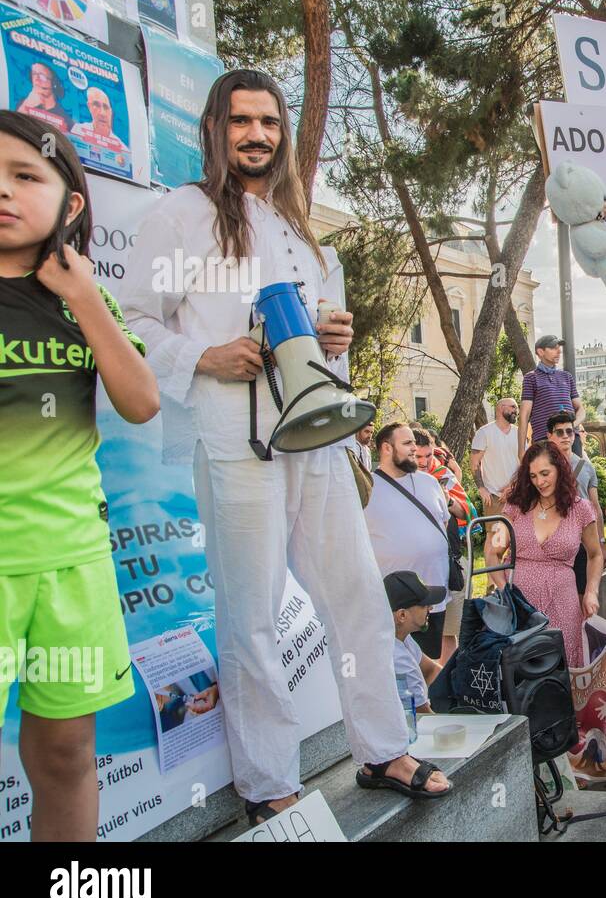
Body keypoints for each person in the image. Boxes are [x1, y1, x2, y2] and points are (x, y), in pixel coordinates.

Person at [119, 70, 444, 821]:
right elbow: (131, 320)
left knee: (357, 593)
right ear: (214, 128)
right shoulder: (182, 215)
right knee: (253, 615)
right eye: (241, 121)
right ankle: (271, 786)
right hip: (237, 441)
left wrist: (338, 338)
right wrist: (204, 356)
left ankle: (382, 748)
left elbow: (324, 338)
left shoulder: (301, 233)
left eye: (268, 122)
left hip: (318, 437)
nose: (256, 135)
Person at [0, 112, 160, 841]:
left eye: (24, 175)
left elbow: (141, 399)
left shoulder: (82, 304)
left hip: (74, 562)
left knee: (67, 753)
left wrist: (86, 298)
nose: (3, 191)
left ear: (70, 205)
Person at [485, 441, 603, 669]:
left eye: (545, 473)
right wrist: (505, 594)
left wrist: (591, 592)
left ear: (560, 469)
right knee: (521, 676)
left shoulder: (581, 509)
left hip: (563, 605)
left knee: (562, 670)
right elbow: (492, 552)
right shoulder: (516, 508)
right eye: (533, 476)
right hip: (519, 608)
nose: (539, 482)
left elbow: (595, 555)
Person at [366, 422, 464, 654]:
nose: (414, 448)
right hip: (394, 603)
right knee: (397, 667)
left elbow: (444, 522)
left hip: (433, 596)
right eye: (407, 443)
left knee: (430, 662)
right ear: (386, 448)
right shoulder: (367, 488)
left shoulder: (430, 483)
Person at [547, 411, 606, 595]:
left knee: (584, 595)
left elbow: (595, 507)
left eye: (569, 432)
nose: (565, 436)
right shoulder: (542, 467)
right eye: (560, 432)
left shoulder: (586, 466)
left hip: (582, 539)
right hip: (553, 540)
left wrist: (602, 542)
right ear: (550, 436)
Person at [386, 571, 447, 717]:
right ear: (402, 615)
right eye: (424, 604)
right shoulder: (398, 660)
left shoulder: (400, 637)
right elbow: (425, 718)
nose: (430, 608)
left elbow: (431, 670)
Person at [520, 334, 582, 456]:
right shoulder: (531, 378)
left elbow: (580, 409)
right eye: (554, 348)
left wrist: (570, 426)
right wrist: (521, 450)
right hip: (544, 439)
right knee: (549, 474)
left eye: (559, 348)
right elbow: (524, 415)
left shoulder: (566, 376)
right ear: (540, 351)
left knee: (575, 474)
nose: (559, 351)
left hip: (570, 439)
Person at [471, 398, 520, 515]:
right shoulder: (484, 433)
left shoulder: (519, 433)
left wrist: (513, 485)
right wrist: (482, 489)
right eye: (513, 407)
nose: (516, 411)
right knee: (494, 532)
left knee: (519, 533)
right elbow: (474, 463)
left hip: (517, 494)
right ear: (501, 408)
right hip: (494, 497)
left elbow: (526, 463)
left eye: (517, 408)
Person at [16, 64, 72, 133]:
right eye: (34, 74)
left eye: (42, 75)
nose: (36, 78)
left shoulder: (65, 119)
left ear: (54, 82)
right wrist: (26, 105)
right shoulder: (23, 103)